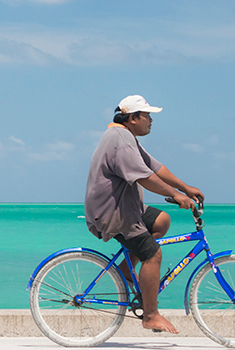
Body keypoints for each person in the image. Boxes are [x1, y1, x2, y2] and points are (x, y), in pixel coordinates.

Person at [85, 95, 204, 334]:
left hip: (126, 208)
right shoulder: (121, 139)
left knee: (162, 220)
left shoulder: (126, 136)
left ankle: (127, 270)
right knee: (153, 255)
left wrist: (185, 188)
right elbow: (144, 178)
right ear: (132, 118)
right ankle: (150, 315)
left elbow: (155, 167)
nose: (150, 120)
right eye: (147, 115)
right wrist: (176, 195)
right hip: (114, 213)